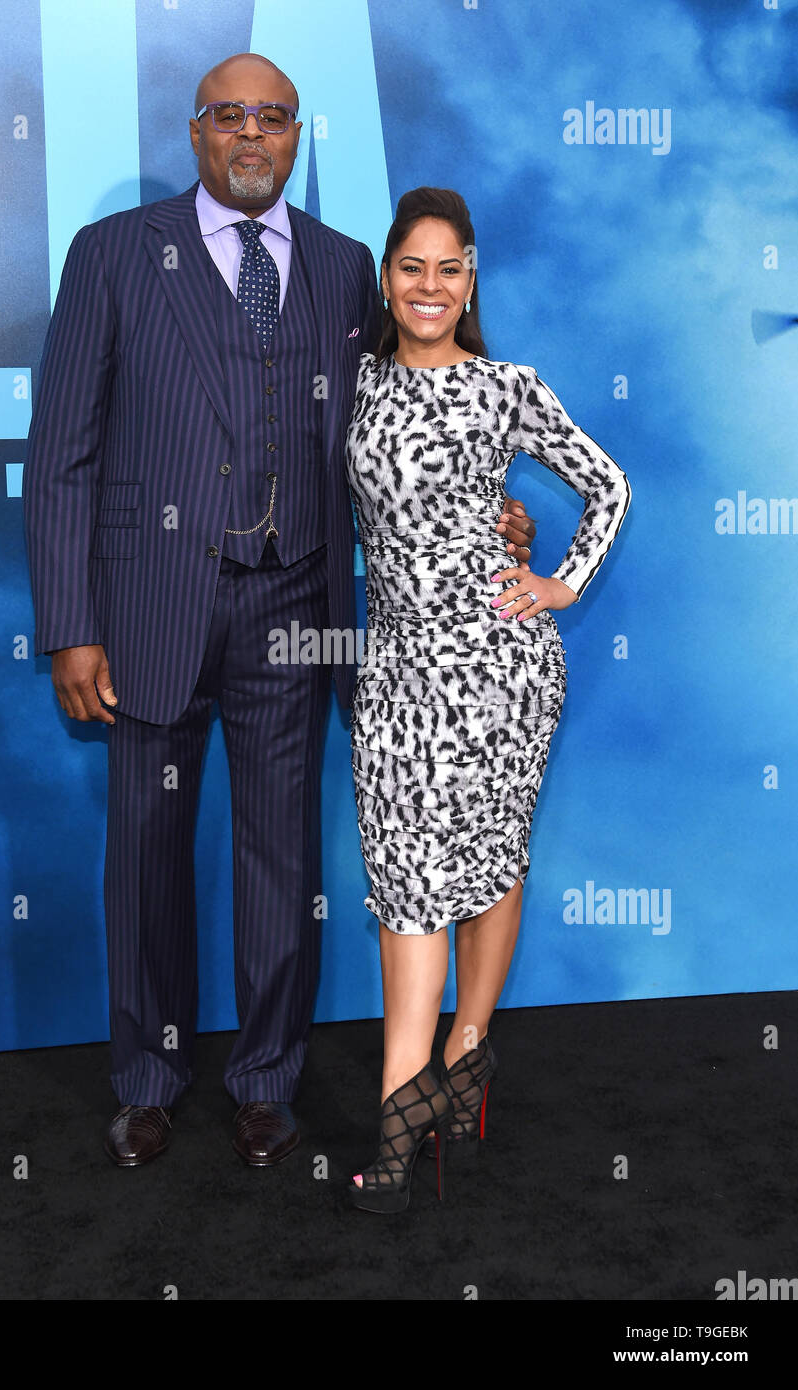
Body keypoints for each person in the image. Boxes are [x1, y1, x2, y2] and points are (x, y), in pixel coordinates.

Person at [23, 57, 537, 1170]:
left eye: (271, 118)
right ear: (196, 133)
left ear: (296, 135)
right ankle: (149, 1081)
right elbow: (59, 454)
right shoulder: (114, 255)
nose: (250, 135)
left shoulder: (349, 268)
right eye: (228, 117)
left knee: (279, 856)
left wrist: (481, 500)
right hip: (152, 605)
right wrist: (69, 622)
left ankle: (266, 1081)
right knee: (147, 853)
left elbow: (408, 397)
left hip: (298, 604)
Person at [345, 187, 631, 1212]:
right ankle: (435, 1081)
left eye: (448, 267)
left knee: (489, 854)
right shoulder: (355, 382)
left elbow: (608, 484)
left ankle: (439, 1075)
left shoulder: (507, 385)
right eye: (411, 267)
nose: (429, 286)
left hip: (499, 672)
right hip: (391, 670)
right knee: (405, 879)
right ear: (387, 277)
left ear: (472, 279)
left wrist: (561, 580)